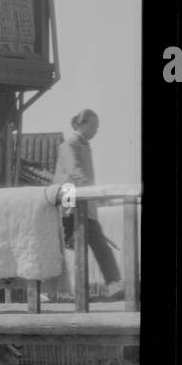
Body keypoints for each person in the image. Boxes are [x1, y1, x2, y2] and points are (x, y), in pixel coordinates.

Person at [53, 109, 123, 298]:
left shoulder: (84, 145)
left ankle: (113, 284)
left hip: (84, 204)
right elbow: (75, 172)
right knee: (66, 246)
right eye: (94, 126)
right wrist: (97, 192)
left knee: (97, 243)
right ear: (81, 124)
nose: (96, 131)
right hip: (69, 205)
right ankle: (58, 290)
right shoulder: (69, 145)